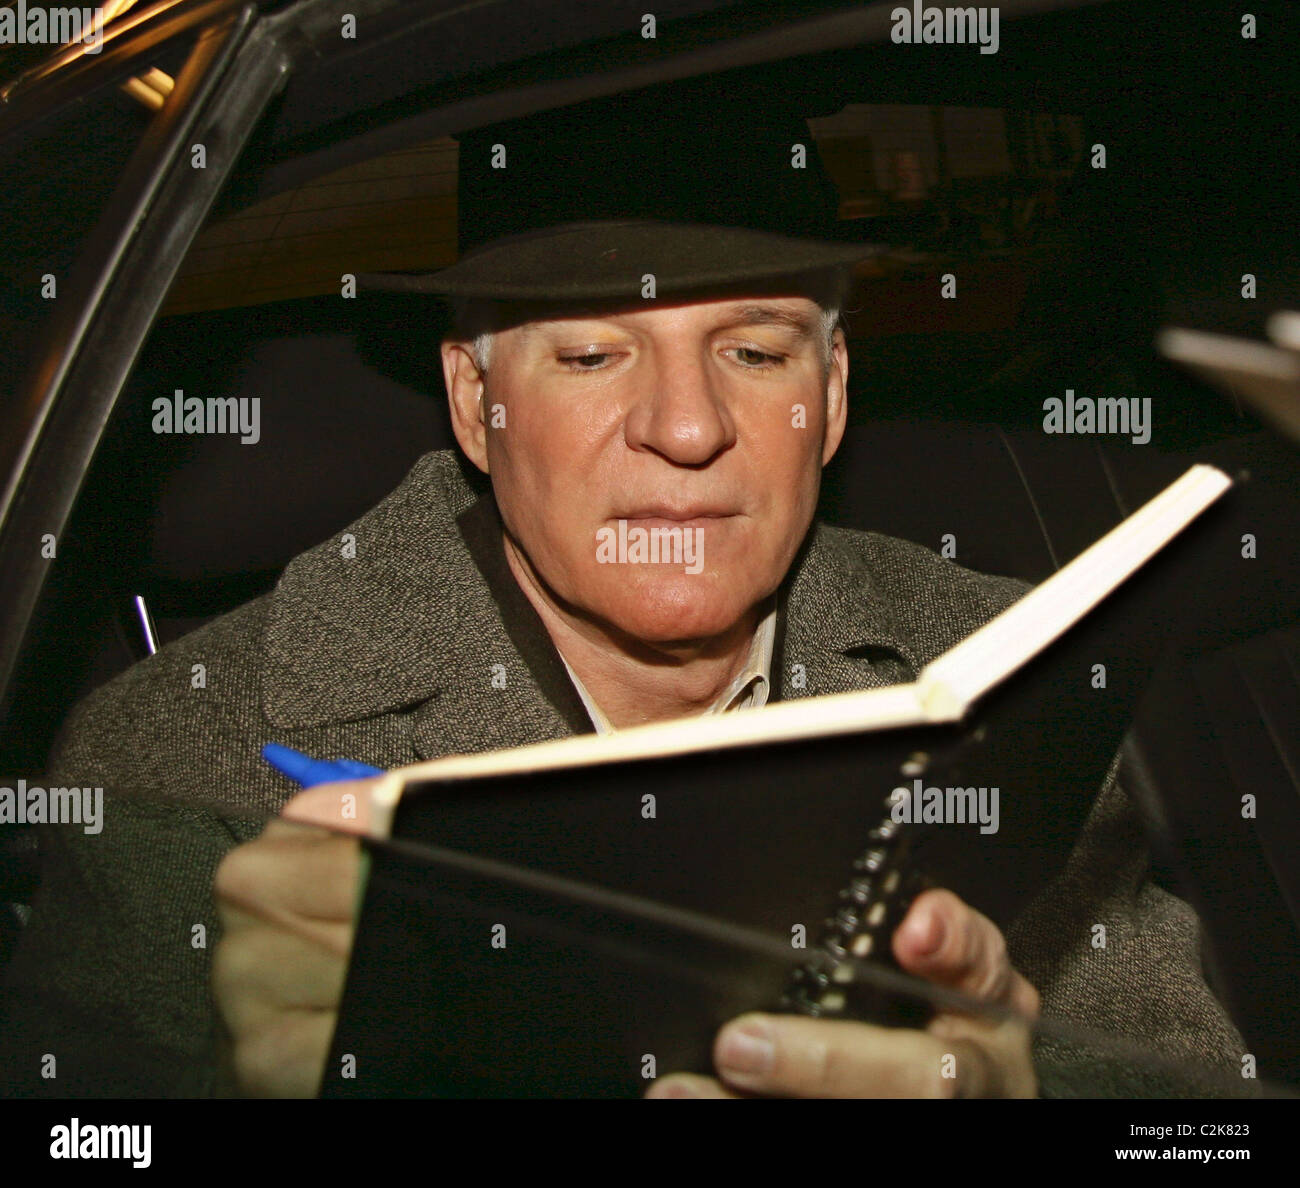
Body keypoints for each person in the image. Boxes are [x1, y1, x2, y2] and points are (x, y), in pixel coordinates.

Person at [0, 90, 1250, 1099]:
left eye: (756, 353)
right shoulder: (183, 751)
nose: (690, 426)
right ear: (472, 405)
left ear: (835, 395)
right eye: (592, 353)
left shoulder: (1001, 659)